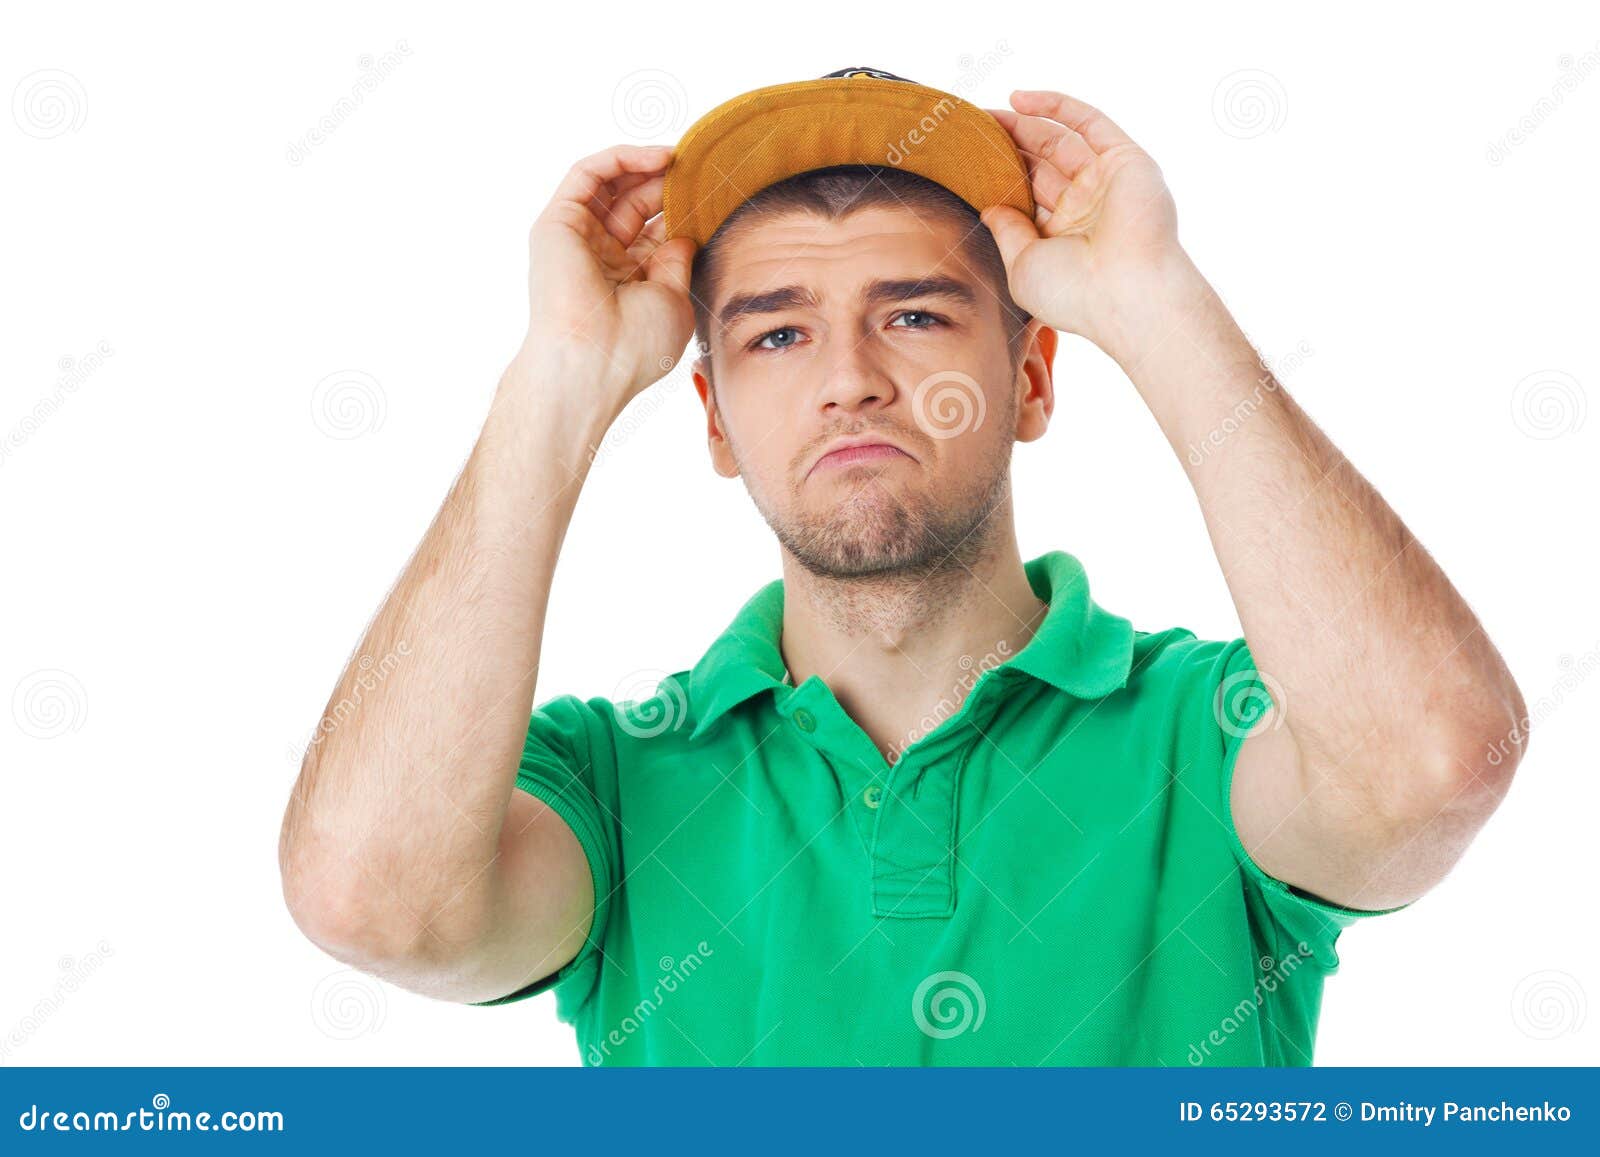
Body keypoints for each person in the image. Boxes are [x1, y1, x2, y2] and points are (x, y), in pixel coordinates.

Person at [278, 68, 1527, 1065]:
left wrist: (1149, 299)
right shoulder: (611, 782)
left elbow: (1431, 761)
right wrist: (560, 376)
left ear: (1029, 377)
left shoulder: (1212, 734)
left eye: (916, 314)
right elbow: (368, 897)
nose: (849, 378)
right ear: (712, 418)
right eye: (777, 332)